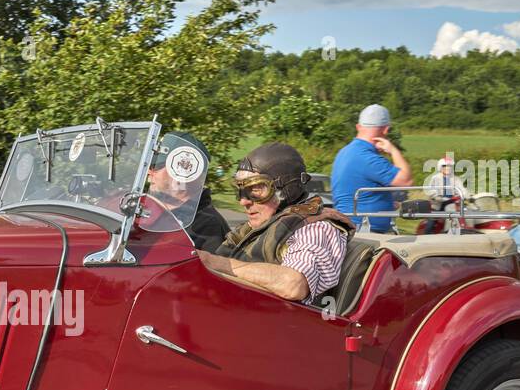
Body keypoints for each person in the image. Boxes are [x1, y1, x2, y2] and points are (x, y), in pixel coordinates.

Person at [197, 142, 354, 304]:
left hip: (284, 324)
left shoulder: (317, 228)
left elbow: (294, 284)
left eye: (256, 189)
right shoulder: (256, 226)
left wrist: (213, 262)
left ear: (287, 189)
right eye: (241, 190)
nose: (244, 201)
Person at [331, 104, 413, 232]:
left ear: (358, 127)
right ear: (386, 130)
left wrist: (388, 203)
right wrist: (393, 150)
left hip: (348, 227)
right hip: (365, 232)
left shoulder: (344, 152)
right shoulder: (368, 158)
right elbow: (406, 181)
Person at [145, 131, 229, 252]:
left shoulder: (208, 225)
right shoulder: (153, 212)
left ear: (185, 172)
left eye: (157, 166)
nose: (149, 172)